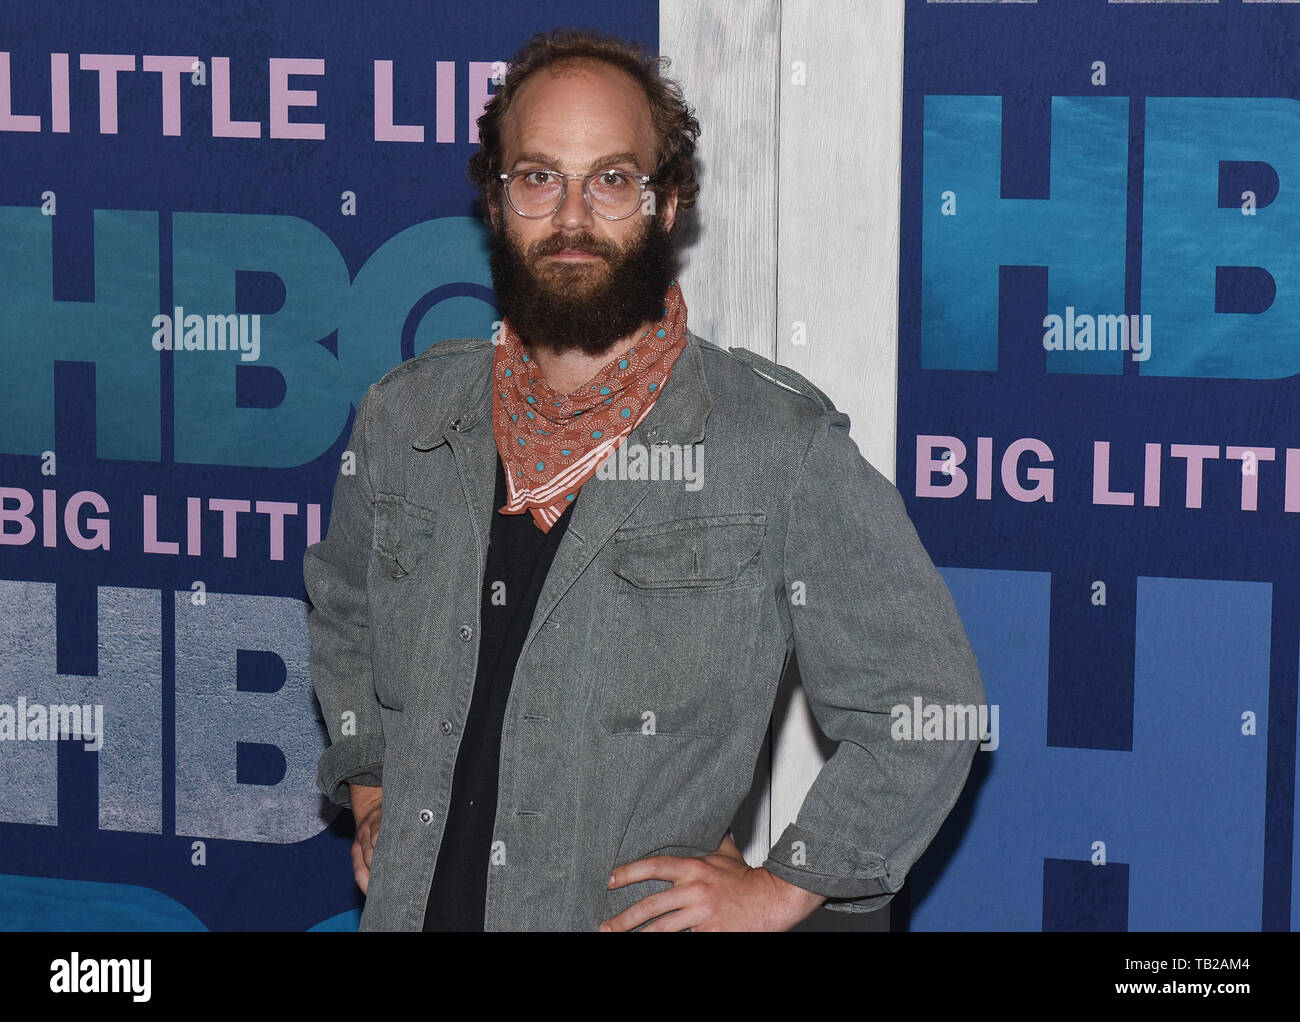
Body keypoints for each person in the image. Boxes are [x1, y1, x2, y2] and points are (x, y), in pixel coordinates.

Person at [304, 27, 985, 932]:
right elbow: (345, 610)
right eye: (539, 177)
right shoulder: (405, 422)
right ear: (497, 203)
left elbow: (929, 707)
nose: (573, 217)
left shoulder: (774, 449)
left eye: (613, 180)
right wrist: (371, 788)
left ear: (666, 207)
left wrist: (785, 889)